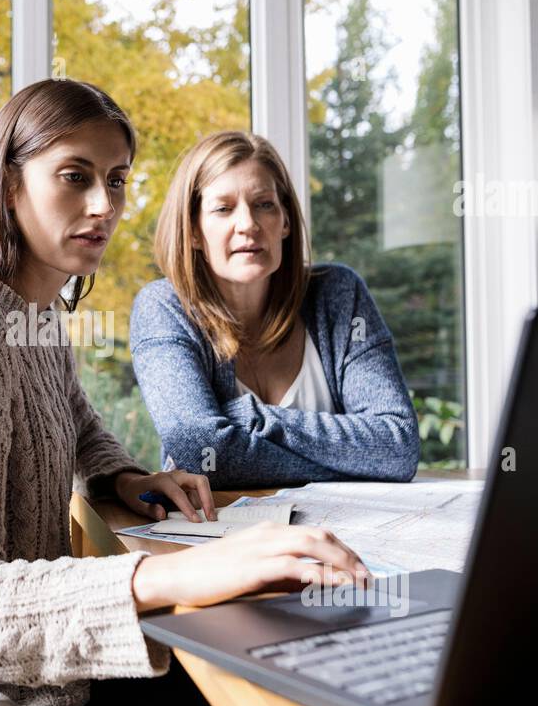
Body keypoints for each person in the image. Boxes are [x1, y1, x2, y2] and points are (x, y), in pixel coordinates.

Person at [0, 84, 369, 706]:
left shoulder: (32, 316)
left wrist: (121, 476)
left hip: (23, 670)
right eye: (74, 177)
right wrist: (179, 572)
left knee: (277, 663)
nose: (104, 206)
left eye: (116, 181)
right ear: (8, 184)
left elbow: (74, 422)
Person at [130, 131, 420, 489]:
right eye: (223, 209)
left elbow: (397, 445)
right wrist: (353, 465)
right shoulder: (163, 307)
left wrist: (252, 418)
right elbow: (203, 453)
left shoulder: (338, 294)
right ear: (192, 230)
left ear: (284, 221)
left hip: (345, 534)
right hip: (221, 537)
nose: (248, 224)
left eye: (264, 204)